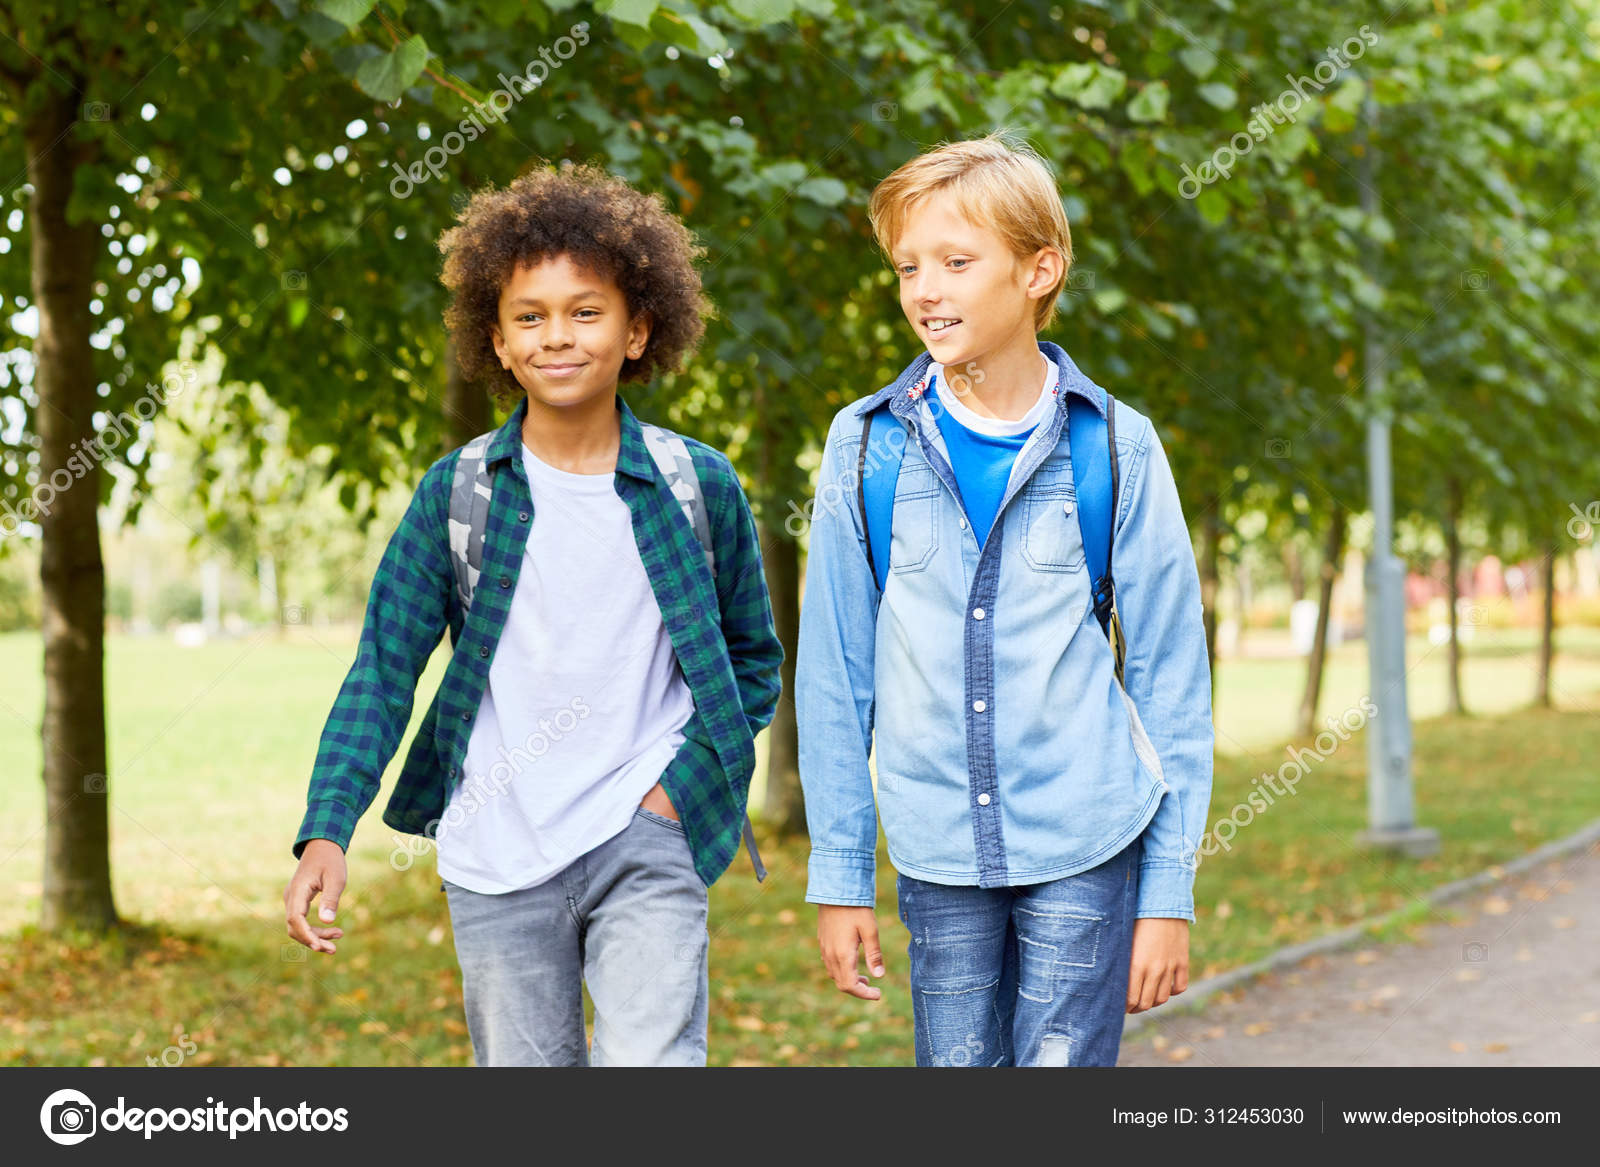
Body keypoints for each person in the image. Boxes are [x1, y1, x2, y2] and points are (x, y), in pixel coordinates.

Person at [283, 163, 783, 1067]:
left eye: (586, 312)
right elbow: (385, 668)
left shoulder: (694, 484)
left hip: (646, 831)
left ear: (638, 331)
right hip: (496, 847)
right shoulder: (460, 491)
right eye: (531, 316)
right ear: (499, 341)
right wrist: (329, 823)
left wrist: (674, 796)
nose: (559, 336)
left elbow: (752, 661)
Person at [795, 131, 1213, 1067]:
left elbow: (1170, 680)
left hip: (1086, 836)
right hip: (938, 853)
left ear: (1039, 269)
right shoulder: (864, 447)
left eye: (954, 261)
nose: (924, 290)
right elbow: (834, 674)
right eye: (908, 266)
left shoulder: (1116, 446)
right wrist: (841, 876)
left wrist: (1166, 895)